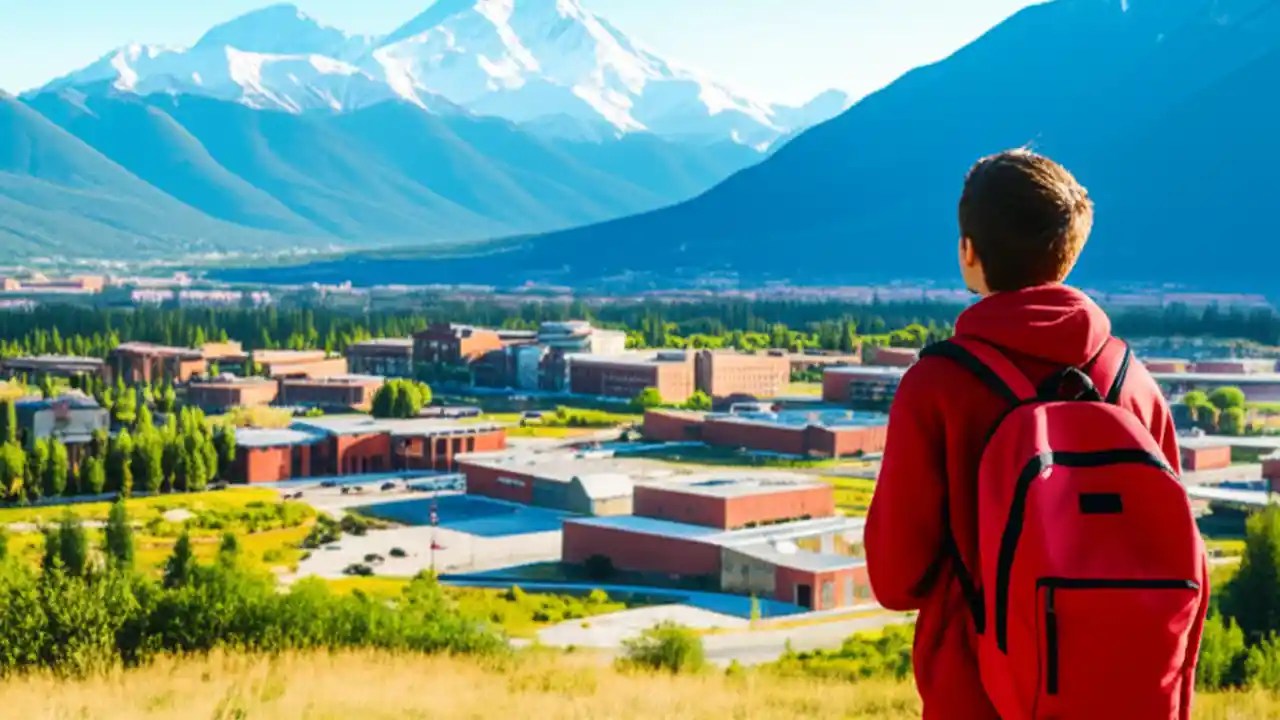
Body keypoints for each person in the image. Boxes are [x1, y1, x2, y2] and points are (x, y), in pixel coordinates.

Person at [865, 149, 1191, 719]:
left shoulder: (938, 386)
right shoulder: (1132, 384)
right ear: (1069, 251)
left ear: (969, 252)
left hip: (978, 698)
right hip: (1127, 697)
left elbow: (897, 580)